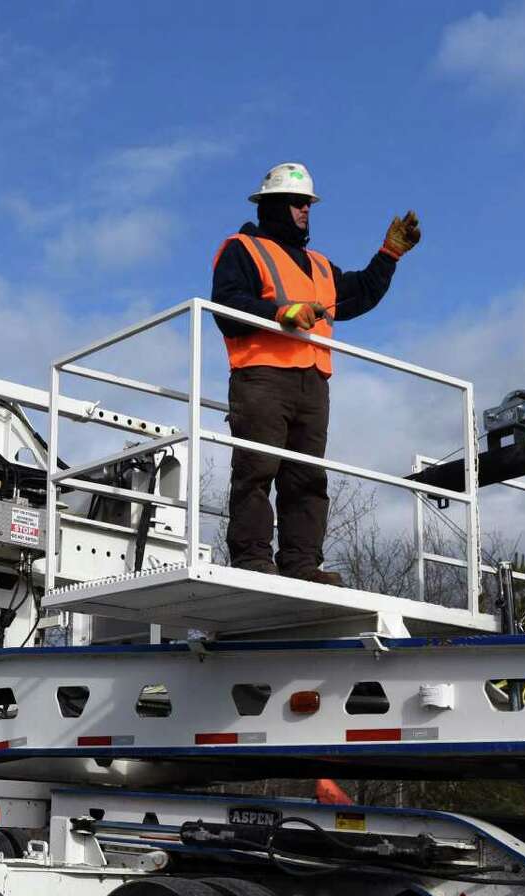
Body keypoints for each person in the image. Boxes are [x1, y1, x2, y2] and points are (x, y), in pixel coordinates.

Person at [211, 162, 420, 585]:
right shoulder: (242, 248)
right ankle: (252, 559)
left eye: (308, 203)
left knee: (307, 476)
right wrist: (279, 313)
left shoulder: (320, 265)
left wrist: (389, 255)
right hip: (263, 376)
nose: (306, 209)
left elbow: (359, 293)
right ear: (272, 206)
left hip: (313, 383)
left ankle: (302, 565)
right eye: (297, 202)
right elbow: (227, 306)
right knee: (257, 468)